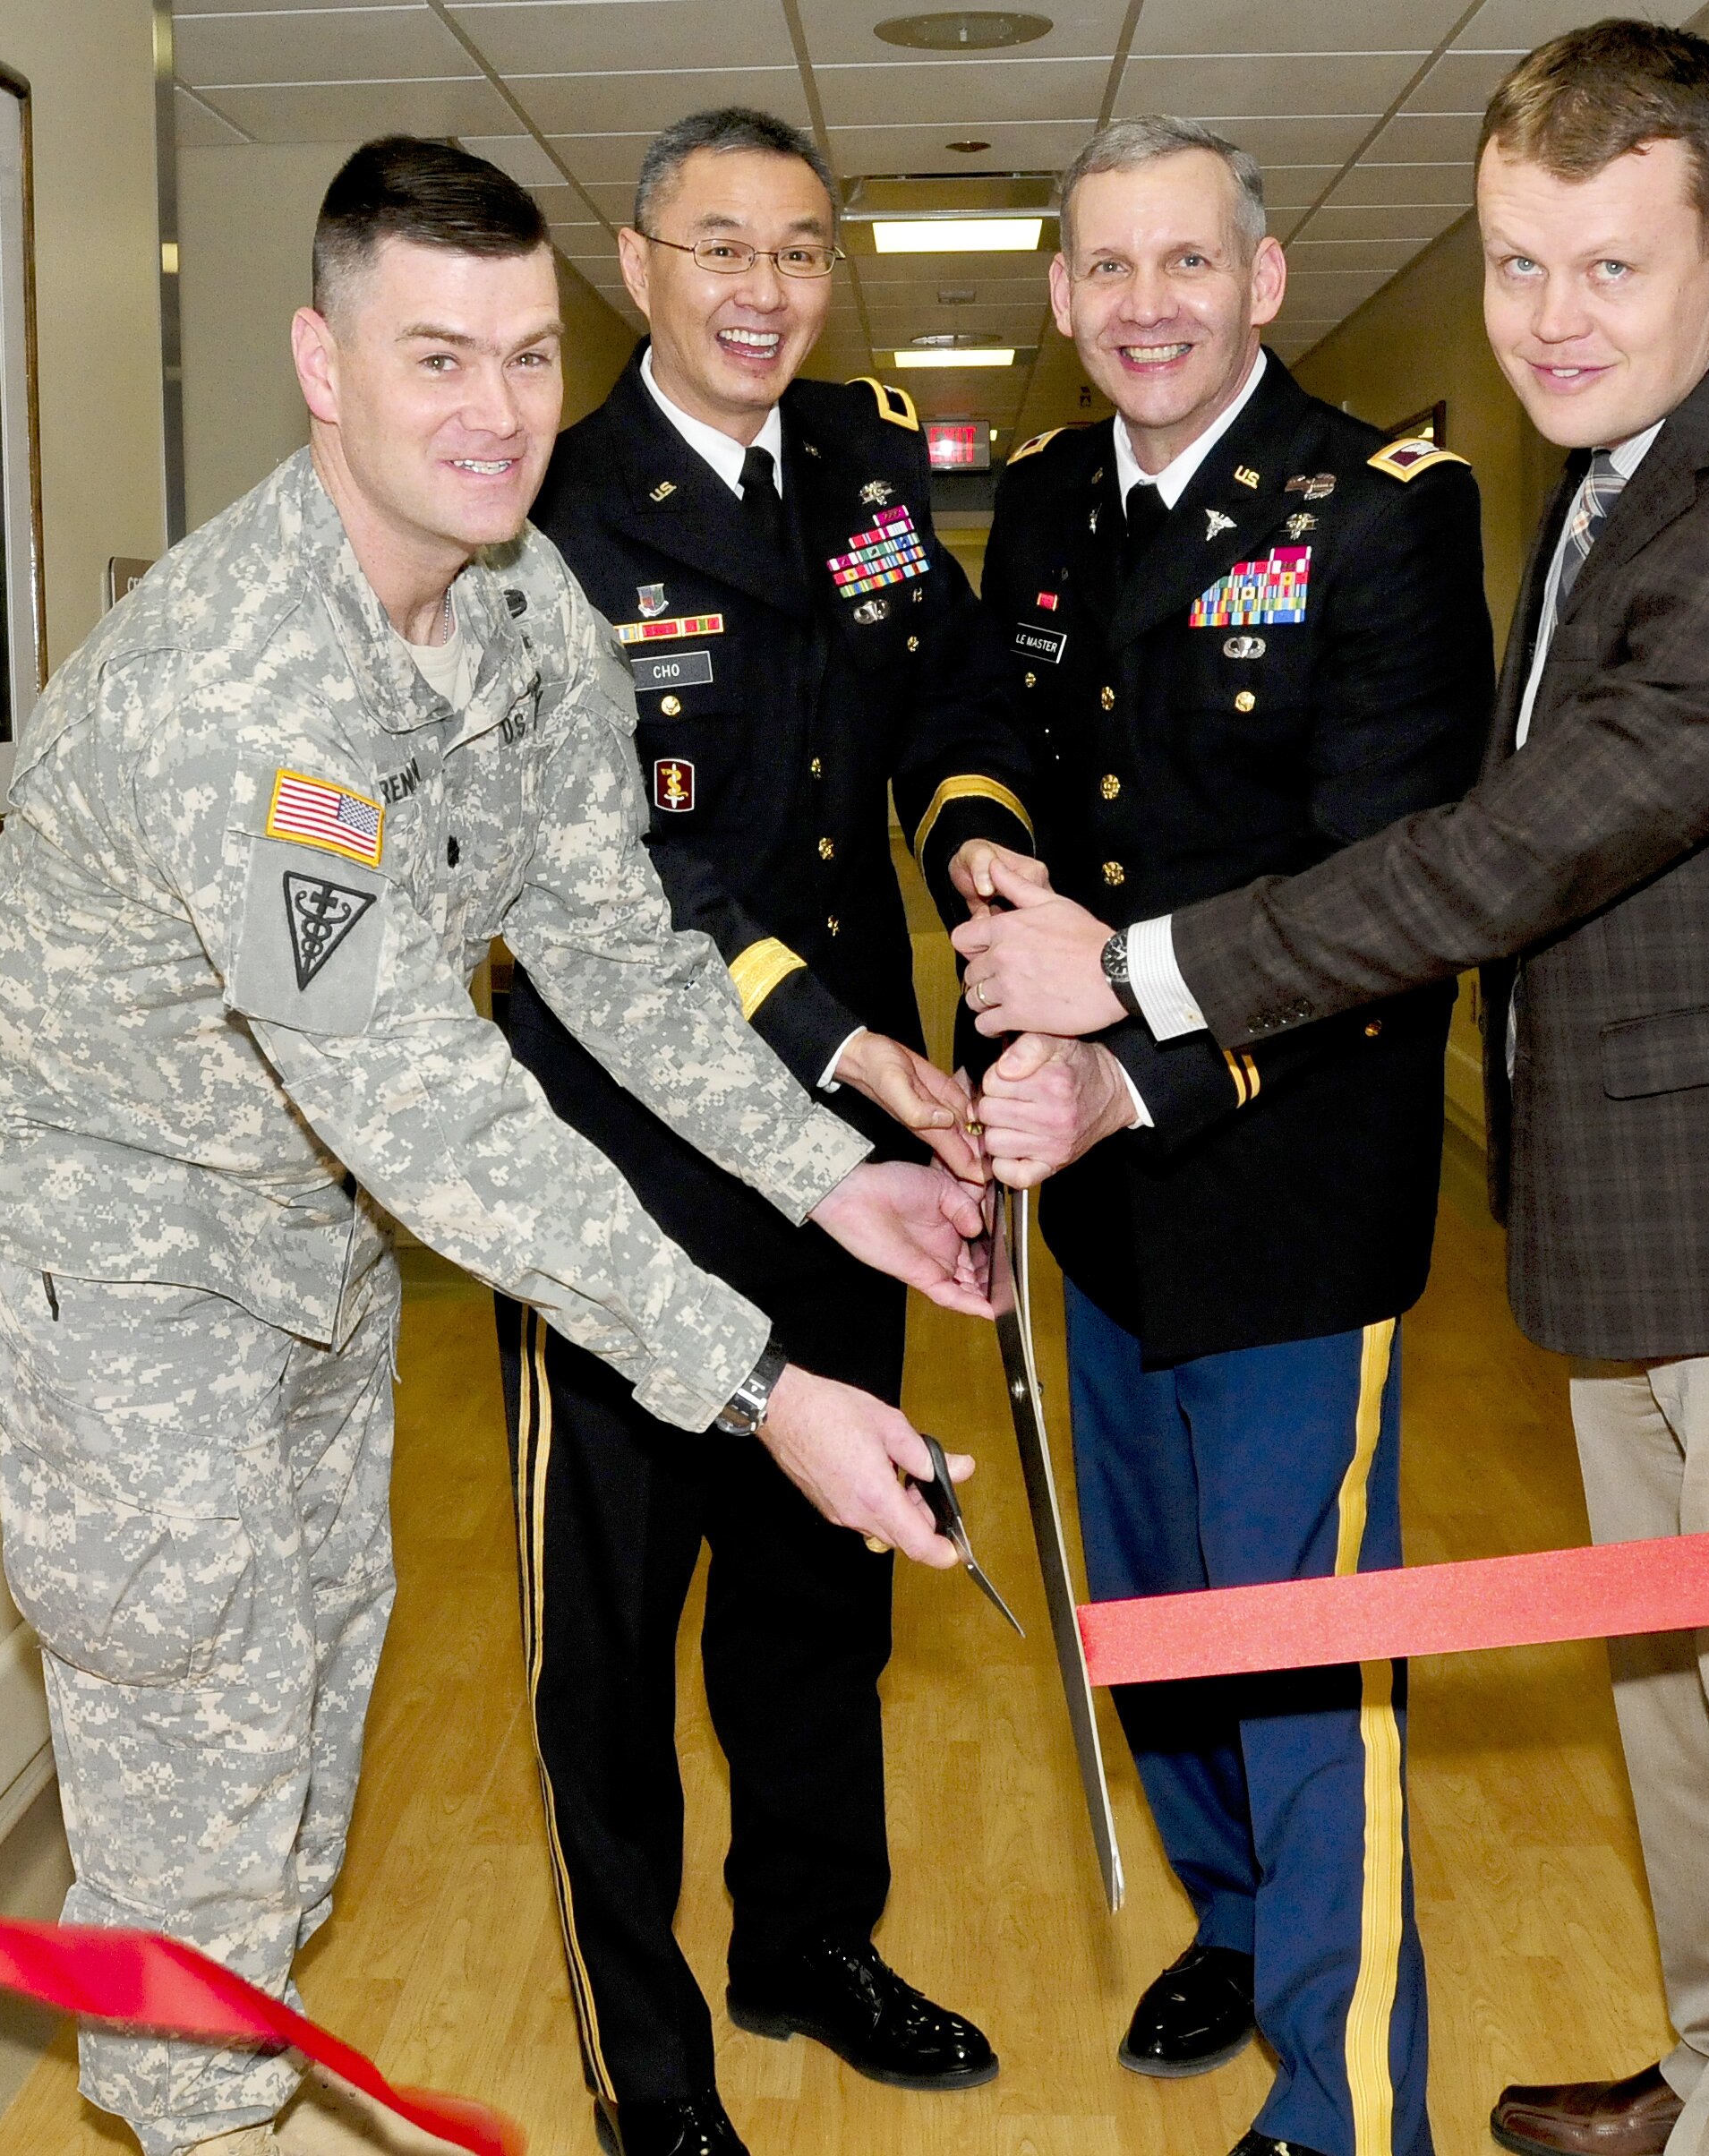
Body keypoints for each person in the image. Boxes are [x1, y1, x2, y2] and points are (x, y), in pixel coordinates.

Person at [955, 27, 1709, 2156]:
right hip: (1654, 1230)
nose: (1545, 318)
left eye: (1600, 270)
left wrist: (1133, 971)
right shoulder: (1634, 466)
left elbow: (1508, 848)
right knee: (1681, 1708)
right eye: (1516, 263)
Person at [0, 137, 991, 2156]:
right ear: (321, 365)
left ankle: (225, 2092)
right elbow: (427, 1098)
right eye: (435, 359)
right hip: (124, 1245)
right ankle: (199, 2113)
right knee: (197, 1750)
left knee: (310, 1713)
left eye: (521, 356)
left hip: (295, 1218)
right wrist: (758, 1381)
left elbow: (620, 956)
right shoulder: (245, 697)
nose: (494, 413)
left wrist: (826, 1172)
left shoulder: (520, 616)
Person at [956, 115, 1491, 2156]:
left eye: (1185, 264)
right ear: (1066, 298)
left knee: (1300, 1659)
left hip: (1280, 1179)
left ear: (1260, 280)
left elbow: (1385, 897)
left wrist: (1131, 1048)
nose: (1145, 306)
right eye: (1105, 271)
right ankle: (1235, 1925)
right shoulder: (1043, 502)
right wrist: (989, 877)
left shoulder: (1377, 513)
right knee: (1157, 1618)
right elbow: (1006, 746)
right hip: (1098, 1203)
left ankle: (1349, 2105)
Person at [502, 106, 1034, 2156]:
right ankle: (647, 2070)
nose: (761, 289)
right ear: (631, 265)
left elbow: (951, 705)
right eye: (717, 247)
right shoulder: (550, 508)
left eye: (800, 251)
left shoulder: (867, 465)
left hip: (858, 1152)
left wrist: (976, 858)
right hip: (623, 1159)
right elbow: (618, 893)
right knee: (613, 1635)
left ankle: (805, 1937)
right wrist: (839, 1048)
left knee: (827, 1567)